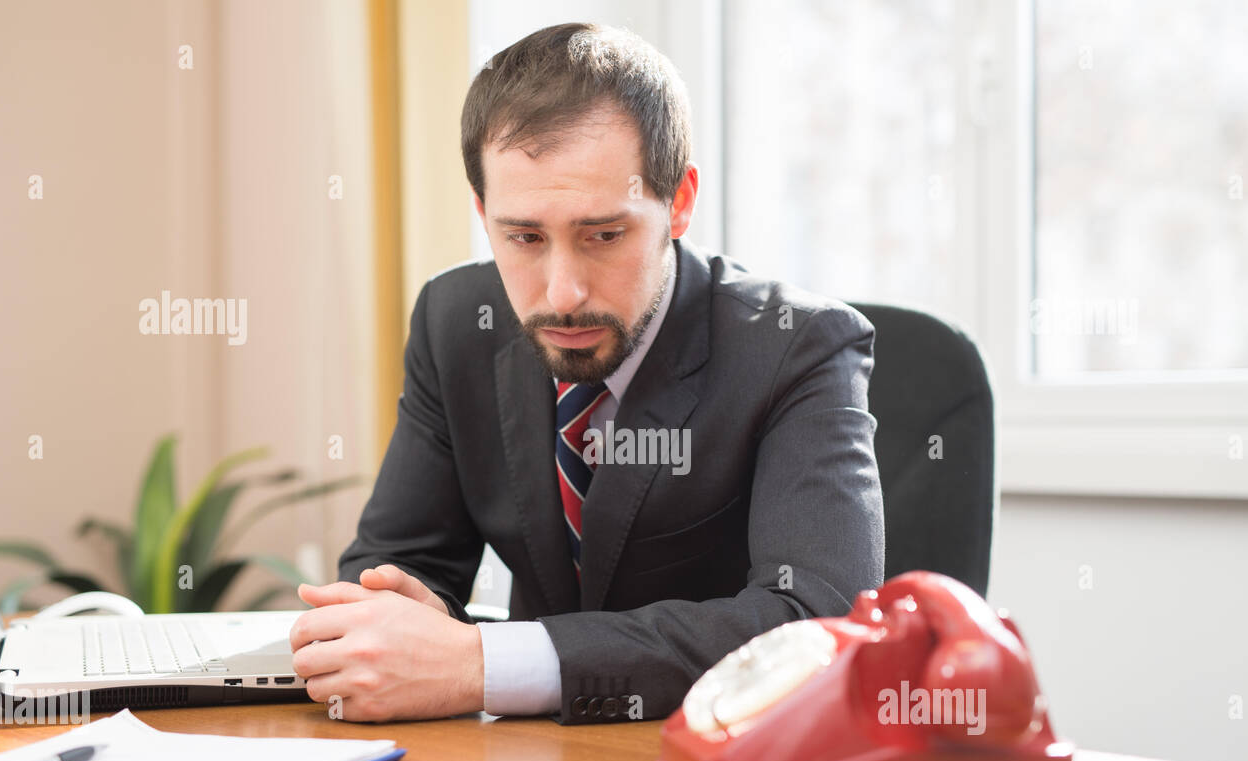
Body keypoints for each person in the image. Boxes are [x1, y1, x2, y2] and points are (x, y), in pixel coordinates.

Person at [290, 22, 884, 724]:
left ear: (680, 202)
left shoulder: (799, 348)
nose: (563, 292)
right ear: (482, 213)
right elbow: (396, 564)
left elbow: (815, 625)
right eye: (524, 237)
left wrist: (483, 665)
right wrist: (400, 613)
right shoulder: (456, 322)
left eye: (603, 235)